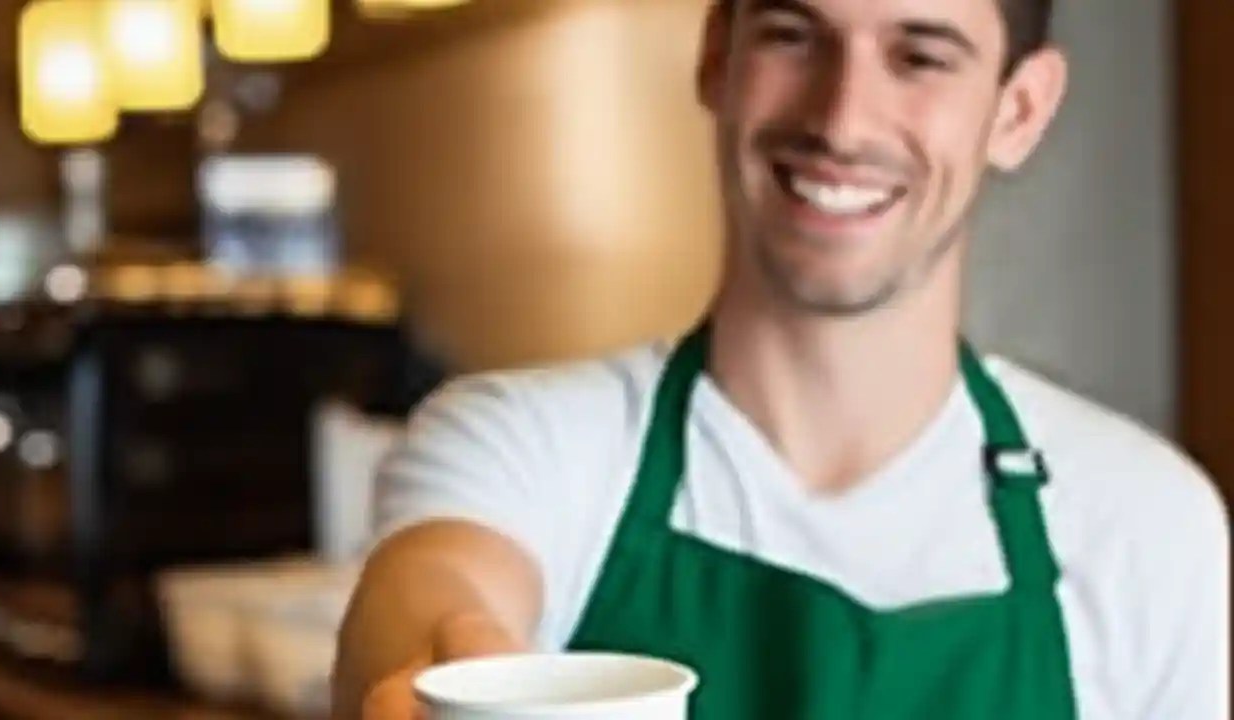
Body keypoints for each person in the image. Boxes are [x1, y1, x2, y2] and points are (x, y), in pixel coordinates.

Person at [333, 0, 1230, 717]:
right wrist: (449, 668)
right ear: (717, 53)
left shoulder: (1148, 524)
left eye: (920, 55)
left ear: (1017, 109)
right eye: (795, 35)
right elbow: (438, 592)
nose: (842, 119)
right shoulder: (527, 444)